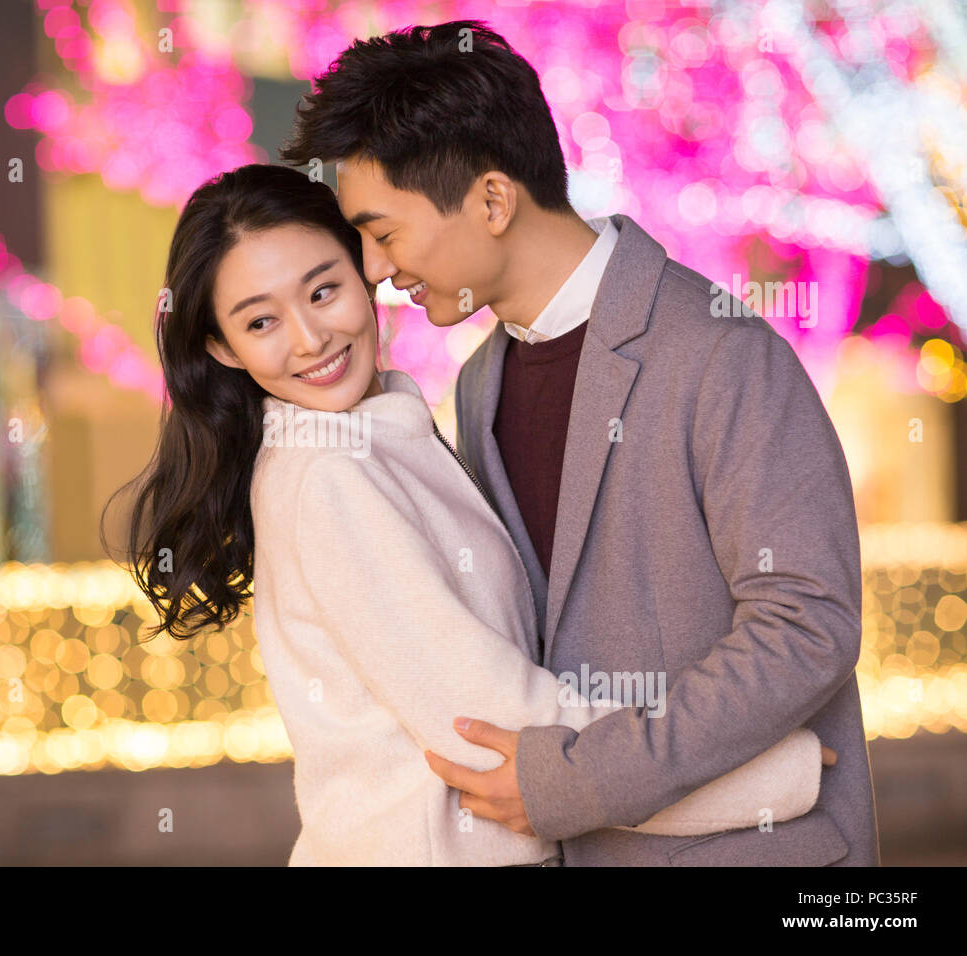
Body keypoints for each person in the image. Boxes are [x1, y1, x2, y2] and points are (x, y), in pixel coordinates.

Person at [276, 18, 879, 865]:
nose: (373, 268)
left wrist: (585, 776)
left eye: (382, 231)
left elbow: (807, 624)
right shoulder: (479, 383)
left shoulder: (720, 352)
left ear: (492, 199)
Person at [110, 162, 833, 866]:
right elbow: (489, 723)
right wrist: (771, 778)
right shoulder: (328, 477)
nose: (309, 339)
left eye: (323, 291)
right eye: (261, 321)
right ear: (221, 348)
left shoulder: (392, 435)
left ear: (363, 274)